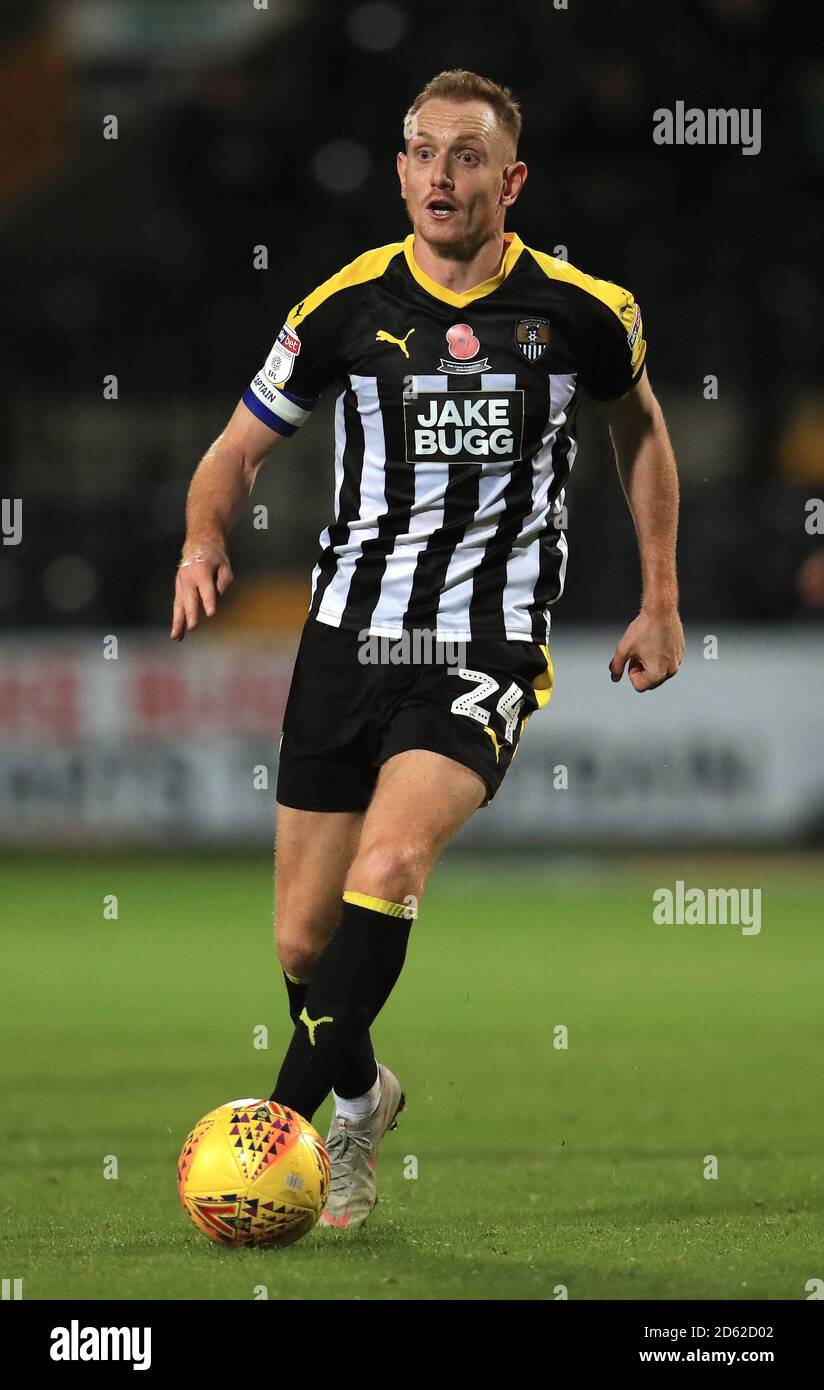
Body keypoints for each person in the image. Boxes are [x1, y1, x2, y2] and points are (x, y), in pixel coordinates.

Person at [171, 69, 684, 1230]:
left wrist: (659, 597)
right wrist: (204, 534)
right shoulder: (346, 303)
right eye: (419, 152)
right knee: (306, 939)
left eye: (464, 155)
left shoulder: (581, 310)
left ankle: (274, 1134)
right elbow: (232, 451)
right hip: (346, 639)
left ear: (509, 180)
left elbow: (639, 431)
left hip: (485, 645)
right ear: (397, 169)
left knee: (390, 864)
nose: (438, 175)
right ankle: (361, 1096)